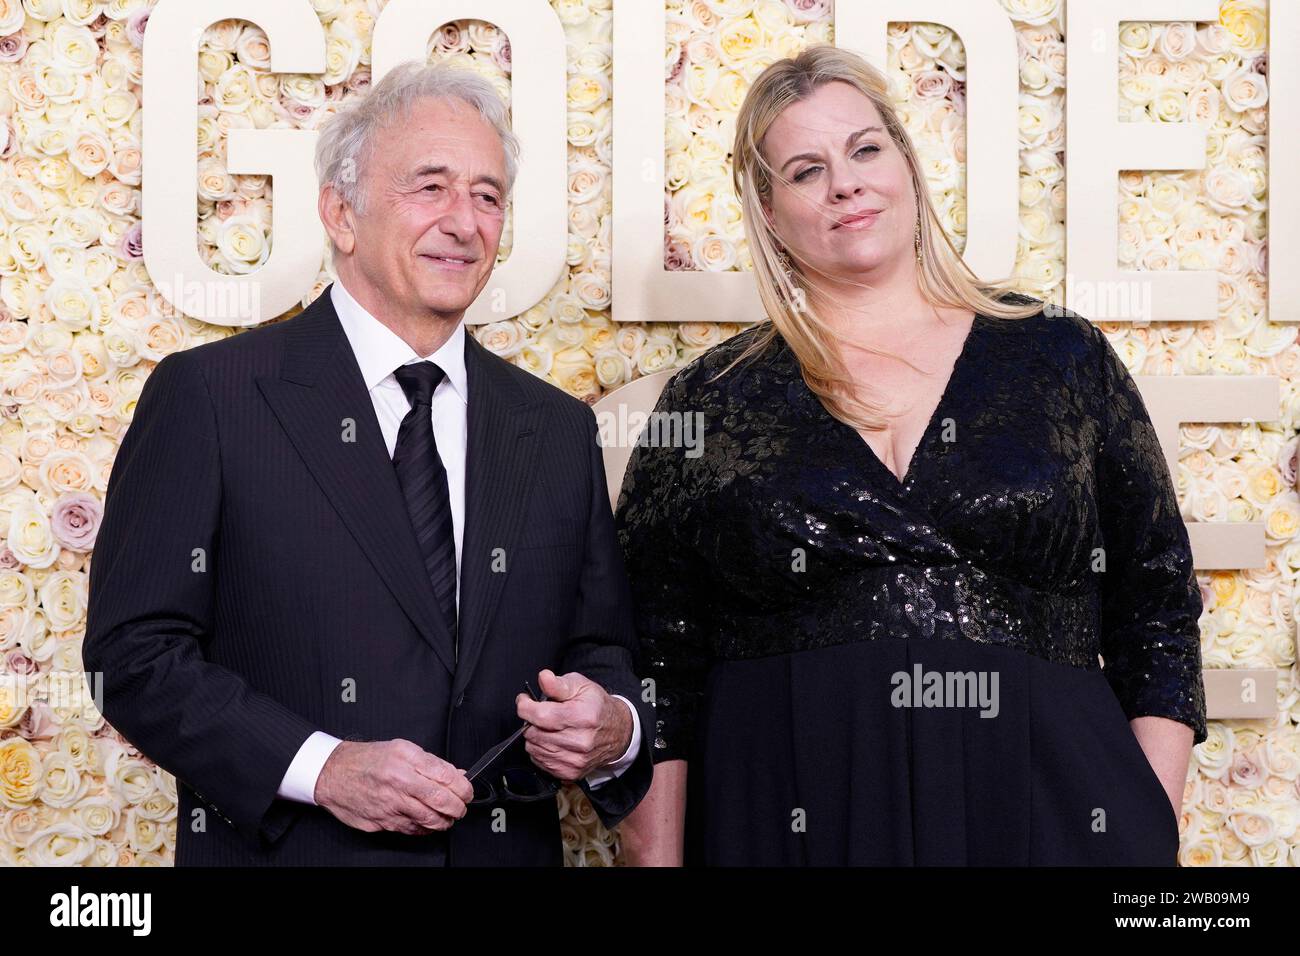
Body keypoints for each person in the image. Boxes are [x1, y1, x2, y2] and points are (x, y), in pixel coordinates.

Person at [614, 45, 1205, 866]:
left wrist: (1144, 824)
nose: (846, 184)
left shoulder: (1061, 357)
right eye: (805, 170)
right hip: (790, 817)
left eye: (865, 149)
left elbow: (1156, 608)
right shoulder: (710, 401)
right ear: (768, 210)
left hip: (1055, 816)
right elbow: (657, 660)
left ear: (907, 164)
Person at [83, 61, 652, 866]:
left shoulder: (555, 429)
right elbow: (132, 658)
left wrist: (614, 728)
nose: (465, 221)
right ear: (340, 214)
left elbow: (603, 653)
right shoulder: (212, 398)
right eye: (431, 187)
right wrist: (323, 768)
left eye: (488, 195)